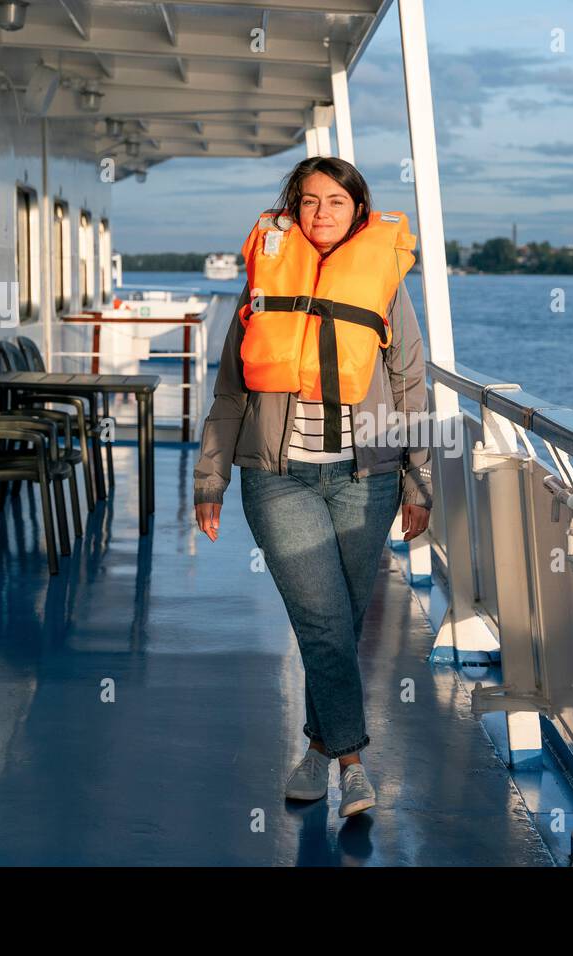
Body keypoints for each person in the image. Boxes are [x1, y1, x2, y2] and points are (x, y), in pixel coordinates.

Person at [193, 156, 432, 817]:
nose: (322, 213)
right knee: (324, 624)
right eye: (308, 202)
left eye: (336, 201)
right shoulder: (263, 280)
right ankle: (354, 765)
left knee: (340, 626)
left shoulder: (383, 284)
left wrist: (419, 478)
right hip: (277, 480)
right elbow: (228, 390)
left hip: (367, 480)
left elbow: (410, 385)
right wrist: (209, 478)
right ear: (291, 210)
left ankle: (317, 750)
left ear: (360, 210)